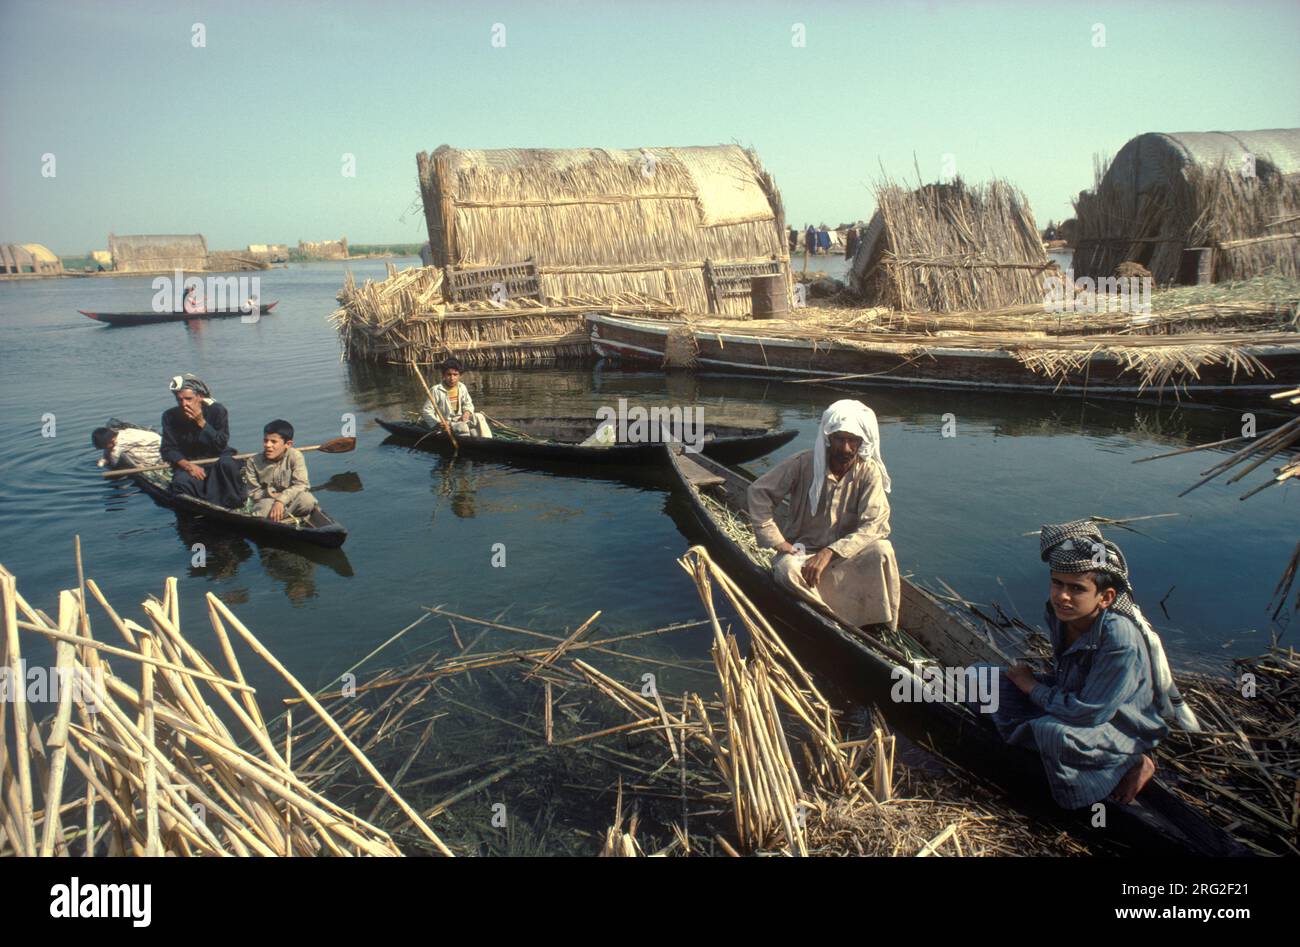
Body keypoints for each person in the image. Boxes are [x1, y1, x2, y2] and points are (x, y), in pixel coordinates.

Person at [968, 520, 1200, 810]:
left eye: (1076, 588)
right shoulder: (1059, 612)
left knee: (1053, 734)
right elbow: (1070, 682)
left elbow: (1089, 713)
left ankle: (1132, 759)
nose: (1062, 596)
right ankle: (1034, 738)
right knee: (978, 677)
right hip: (1073, 698)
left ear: (1105, 598)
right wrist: (1037, 690)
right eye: (1057, 583)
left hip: (1113, 722)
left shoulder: (1118, 638)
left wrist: (1031, 687)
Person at [748, 400, 900, 630]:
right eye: (840, 439)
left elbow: (875, 524)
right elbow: (759, 493)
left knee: (883, 550)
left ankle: (878, 622)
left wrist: (831, 552)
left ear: (861, 442)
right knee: (785, 571)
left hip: (845, 555)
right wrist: (777, 541)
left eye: (853, 441)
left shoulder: (868, 472)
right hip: (803, 553)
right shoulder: (803, 463)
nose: (846, 448)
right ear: (829, 438)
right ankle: (831, 621)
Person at [160, 373, 247, 507]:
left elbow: (220, 444)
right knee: (181, 483)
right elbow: (168, 449)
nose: (184, 404)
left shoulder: (217, 411)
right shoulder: (170, 416)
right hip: (191, 461)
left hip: (217, 458)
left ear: (200, 397)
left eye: (189, 399)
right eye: (180, 400)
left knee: (227, 465)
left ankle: (233, 503)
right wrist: (188, 466)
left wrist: (201, 422)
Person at [243, 419, 317, 522]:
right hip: (267, 502)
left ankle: (278, 517)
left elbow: (302, 485)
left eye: (273, 442)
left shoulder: (295, 456)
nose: (268, 445)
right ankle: (286, 518)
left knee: (307, 500)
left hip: (290, 500)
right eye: (265, 440)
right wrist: (273, 495)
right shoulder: (253, 462)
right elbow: (253, 492)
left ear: (288, 444)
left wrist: (281, 501)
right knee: (264, 508)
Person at [421, 359, 492, 438]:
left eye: (455, 374)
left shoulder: (462, 387)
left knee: (479, 416)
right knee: (463, 428)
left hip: (460, 420)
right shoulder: (436, 390)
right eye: (449, 374)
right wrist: (437, 424)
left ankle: (488, 441)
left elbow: (468, 403)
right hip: (447, 424)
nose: (452, 378)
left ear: (460, 375)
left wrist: (467, 413)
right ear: (443, 375)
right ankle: (466, 444)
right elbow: (426, 411)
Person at [92, 422, 162, 469]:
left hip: (157, 450)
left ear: (111, 441)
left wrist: (105, 462)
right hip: (159, 443)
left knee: (125, 456)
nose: (105, 448)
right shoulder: (120, 432)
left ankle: (149, 464)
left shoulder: (120, 444)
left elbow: (114, 464)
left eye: (105, 446)